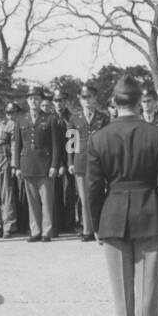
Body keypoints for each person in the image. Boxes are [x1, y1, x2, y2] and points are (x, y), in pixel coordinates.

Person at [86, 76, 158, 316]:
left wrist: (97, 224)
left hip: (113, 215)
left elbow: (92, 188)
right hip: (150, 211)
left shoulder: (98, 138)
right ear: (140, 102)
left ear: (114, 103)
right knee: (148, 288)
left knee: (122, 291)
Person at [13, 86, 65, 242]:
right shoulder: (21, 119)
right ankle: (35, 231)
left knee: (47, 201)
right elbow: (17, 144)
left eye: (36, 98)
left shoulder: (50, 119)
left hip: (45, 165)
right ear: (27, 101)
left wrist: (54, 165)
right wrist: (16, 166)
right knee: (32, 201)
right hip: (27, 163)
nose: (33, 101)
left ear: (41, 100)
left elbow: (56, 145)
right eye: (30, 98)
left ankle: (46, 231)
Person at [68, 84, 111, 242]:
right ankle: (87, 229)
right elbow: (70, 143)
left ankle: (100, 228)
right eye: (83, 97)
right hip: (80, 162)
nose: (87, 100)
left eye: (89, 97)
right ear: (79, 100)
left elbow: (108, 142)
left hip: (99, 162)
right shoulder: (74, 119)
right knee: (84, 197)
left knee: (99, 195)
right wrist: (70, 162)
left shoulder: (103, 118)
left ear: (95, 98)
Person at [0, 96, 18, 238]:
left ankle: (8, 226)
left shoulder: (10, 124)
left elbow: (14, 144)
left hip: (5, 157)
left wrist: (14, 164)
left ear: (1, 106)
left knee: (7, 193)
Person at [52, 88, 79, 234]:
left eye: (61, 100)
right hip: (54, 161)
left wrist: (68, 163)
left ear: (66, 102)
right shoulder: (50, 118)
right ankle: (57, 224)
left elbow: (73, 142)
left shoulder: (72, 118)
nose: (59, 103)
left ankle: (69, 224)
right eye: (56, 100)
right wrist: (57, 164)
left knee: (70, 193)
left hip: (69, 159)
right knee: (55, 193)